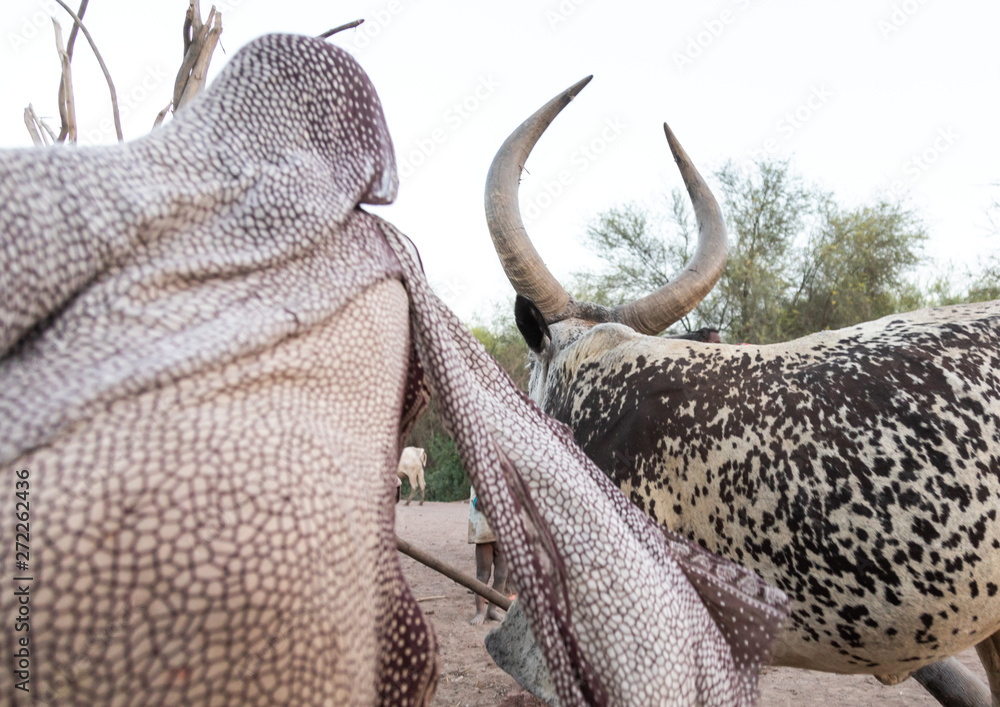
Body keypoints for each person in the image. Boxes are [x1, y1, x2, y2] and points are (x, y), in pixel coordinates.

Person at [468, 486, 508, 625]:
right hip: (484, 532)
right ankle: (480, 612)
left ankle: (492, 609)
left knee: (502, 574)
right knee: (483, 575)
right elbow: (477, 504)